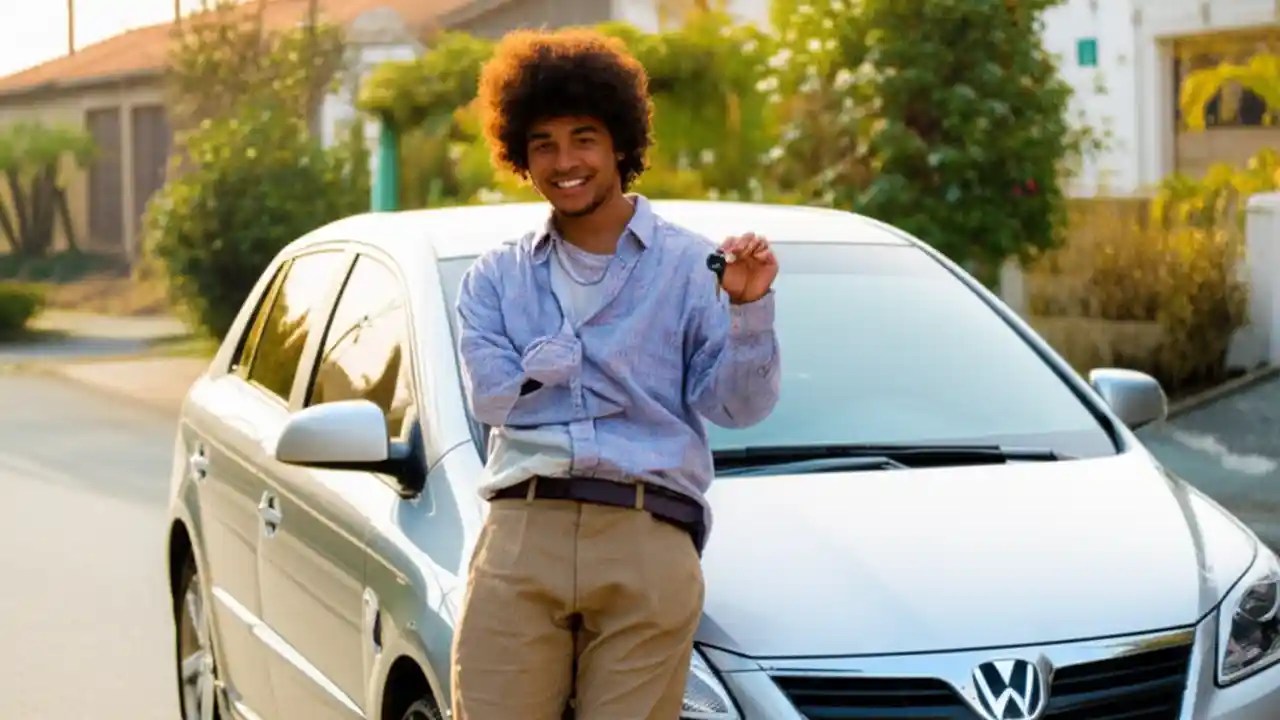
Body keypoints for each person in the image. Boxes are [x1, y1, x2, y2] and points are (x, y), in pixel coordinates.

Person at [450, 26, 781, 720]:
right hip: (522, 533)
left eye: (583, 137)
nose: (564, 160)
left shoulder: (695, 269)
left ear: (621, 144)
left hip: (646, 531)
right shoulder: (494, 279)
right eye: (543, 143)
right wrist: (547, 373)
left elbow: (737, 408)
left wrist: (749, 312)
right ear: (520, 154)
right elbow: (492, 398)